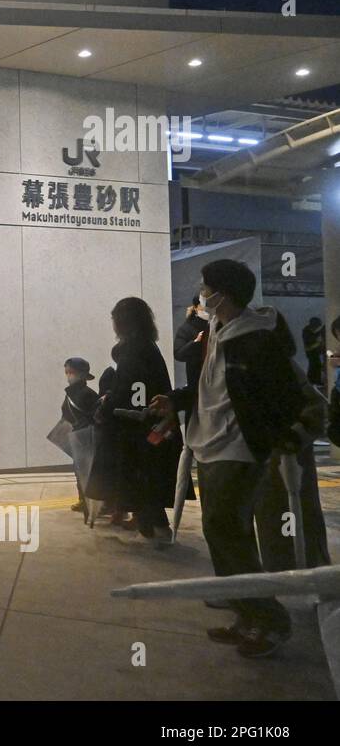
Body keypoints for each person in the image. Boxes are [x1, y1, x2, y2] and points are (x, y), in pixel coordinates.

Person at [151, 260, 303, 658]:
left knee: (229, 536)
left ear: (225, 292)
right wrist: (177, 401)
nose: (202, 291)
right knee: (222, 535)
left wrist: (265, 440)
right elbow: (209, 385)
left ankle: (270, 621)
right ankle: (246, 614)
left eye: (207, 286)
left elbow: (285, 395)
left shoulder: (257, 338)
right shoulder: (217, 329)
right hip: (210, 443)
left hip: (237, 449)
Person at [88, 297, 182, 543]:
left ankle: (156, 530)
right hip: (153, 425)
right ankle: (151, 527)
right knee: (145, 478)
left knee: (139, 478)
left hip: (136, 428)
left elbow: (130, 389)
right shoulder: (148, 346)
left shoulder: (133, 349)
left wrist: (108, 404)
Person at [256, 313, 331, 572]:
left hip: (287, 456)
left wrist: (292, 438)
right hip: (269, 456)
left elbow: (317, 408)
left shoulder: (281, 367)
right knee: (273, 515)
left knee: (297, 514)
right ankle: (282, 569)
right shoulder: (259, 366)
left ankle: (305, 570)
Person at [61, 357, 97, 512]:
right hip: (77, 436)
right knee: (79, 471)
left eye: (72, 372)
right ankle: (83, 500)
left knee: (87, 472)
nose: (69, 375)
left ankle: (90, 502)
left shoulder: (88, 394)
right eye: (67, 372)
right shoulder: (71, 393)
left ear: (82, 374)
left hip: (86, 437)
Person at [173, 293, 210, 389]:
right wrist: (195, 342)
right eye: (203, 306)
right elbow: (178, 354)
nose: (207, 309)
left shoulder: (217, 324)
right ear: (196, 308)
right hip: (196, 380)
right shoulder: (186, 328)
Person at [302, 316, 325, 386]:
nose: (318, 329)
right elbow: (309, 346)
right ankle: (312, 381)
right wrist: (318, 342)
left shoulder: (313, 330)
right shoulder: (306, 332)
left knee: (316, 365)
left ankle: (314, 381)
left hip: (315, 351)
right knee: (314, 365)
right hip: (310, 352)